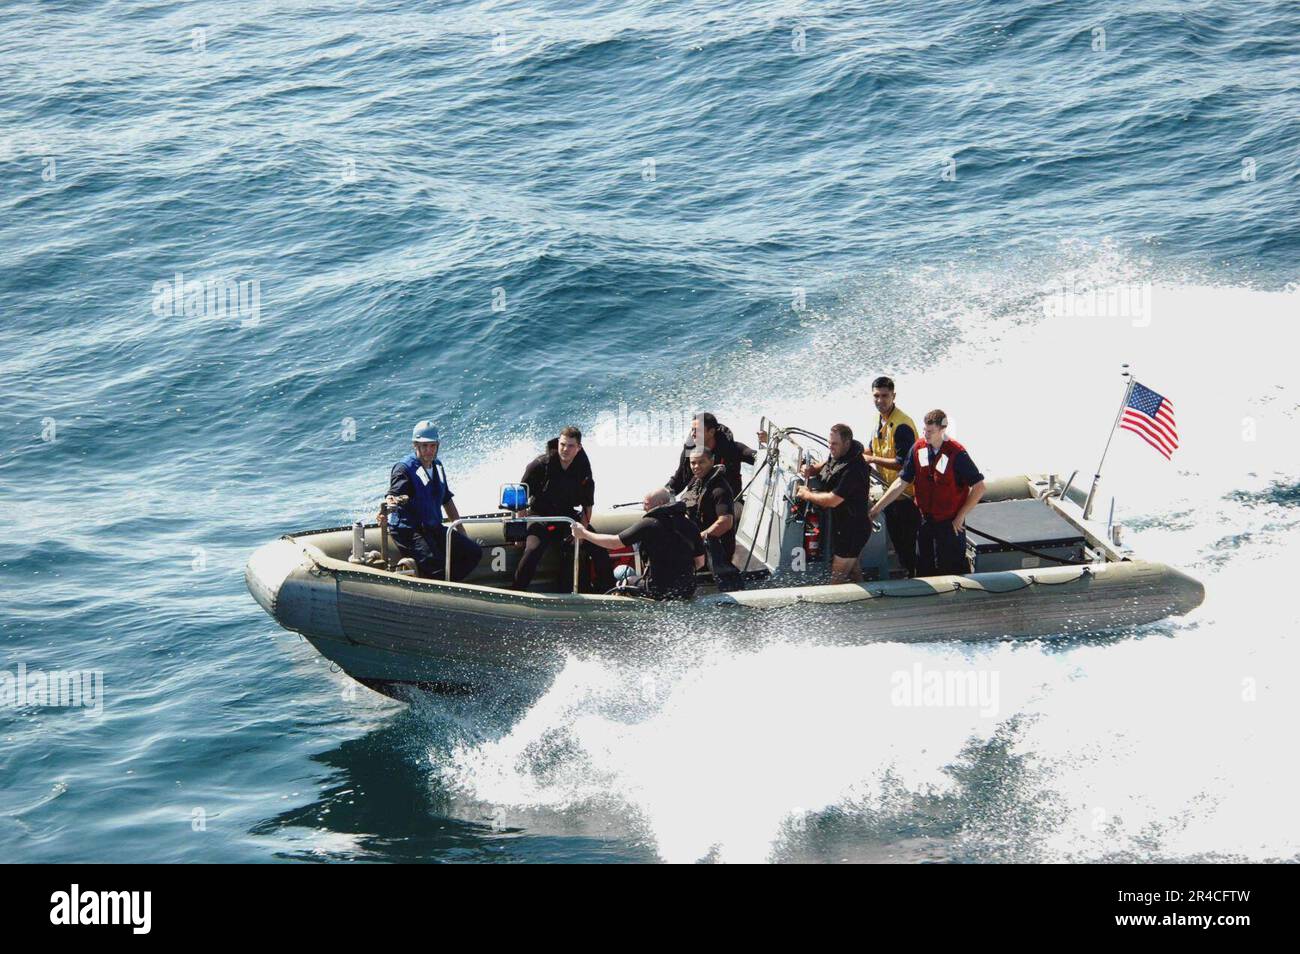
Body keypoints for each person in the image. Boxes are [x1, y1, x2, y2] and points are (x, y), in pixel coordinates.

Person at [869, 409, 985, 577]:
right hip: (925, 522)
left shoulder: (957, 453)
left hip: (950, 524)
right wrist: (877, 509)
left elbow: (979, 487)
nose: (925, 434)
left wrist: (961, 516)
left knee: (950, 569)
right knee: (924, 568)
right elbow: (902, 481)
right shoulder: (918, 448)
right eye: (924, 430)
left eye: (930, 431)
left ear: (942, 430)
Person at [512, 426, 615, 593]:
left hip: (567, 516)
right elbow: (520, 498)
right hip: (539, 515)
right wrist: (519, 531)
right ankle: (516, 591)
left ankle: (608, 590)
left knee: (598, 548)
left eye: (570, 446)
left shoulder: (583, 469)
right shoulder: (539, 465)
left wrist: (582, 532)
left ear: (578, 448)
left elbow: (587, 506)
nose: (565, 449)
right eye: (562, 444)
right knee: (532, 549)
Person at [383, 420, 483, 581]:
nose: (429, 450)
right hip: (409, 531)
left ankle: (449, 585)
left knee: (473, 552)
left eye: (432, 446)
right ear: (415, 446)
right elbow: (393, 495)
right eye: (424, 446)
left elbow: (446, 499)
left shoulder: (437, 466)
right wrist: (389, 504)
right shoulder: (404, 469)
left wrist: (461, 530)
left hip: (433, 527)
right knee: (437, 569)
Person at [573, 488, 704, 600]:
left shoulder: (650, 523)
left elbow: (615, 543)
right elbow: (700, 563)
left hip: (658, 590)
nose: (643, 507)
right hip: (687, 590)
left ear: (660, 503)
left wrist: (584, 534)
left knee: (626, 579)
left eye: (646, 503)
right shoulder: (690, 525)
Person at [794, 423, 872, 583]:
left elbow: (832, 500)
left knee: (837, 580)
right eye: (829, 443)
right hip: (844, 526)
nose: (831, 447)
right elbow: (829, 463)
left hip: (852, 530)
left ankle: (833, 607)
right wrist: (813, 469)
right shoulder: (840, 454)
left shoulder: (853, 469)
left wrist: (807, 494)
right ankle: (866, 605)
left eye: (834, 444)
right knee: (853, 573)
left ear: (847, 443)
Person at [861, 376, 921, 577]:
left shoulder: (902, 425)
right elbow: (871, 447)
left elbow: (903, 463)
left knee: (908, 544)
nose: (880, 400)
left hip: (907, 495)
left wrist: (872, 460)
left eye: (885, 396)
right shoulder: (877, 420)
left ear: (893, 396)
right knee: (898, 542)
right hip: (891, 492)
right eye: (876, 396)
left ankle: (916, 578)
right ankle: (909, 574)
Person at [679, 446, 744, 591]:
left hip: (715, 547)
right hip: (697, 542)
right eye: (693, 463)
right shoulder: (695, 483)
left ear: (711, 461)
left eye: (701, 462)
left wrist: (697, 539)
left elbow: (725, 522)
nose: (696, 467)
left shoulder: (719, 489)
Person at [666, 412, 758, 501]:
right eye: (692, 429)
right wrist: (663, 494)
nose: (692, 434)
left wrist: (766, 443)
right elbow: (679, 480)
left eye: (697, 430)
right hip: (698, 504)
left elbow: (757, 457)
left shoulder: (731, 448)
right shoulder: (691, 453)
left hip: (730, 504)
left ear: (711, 432)